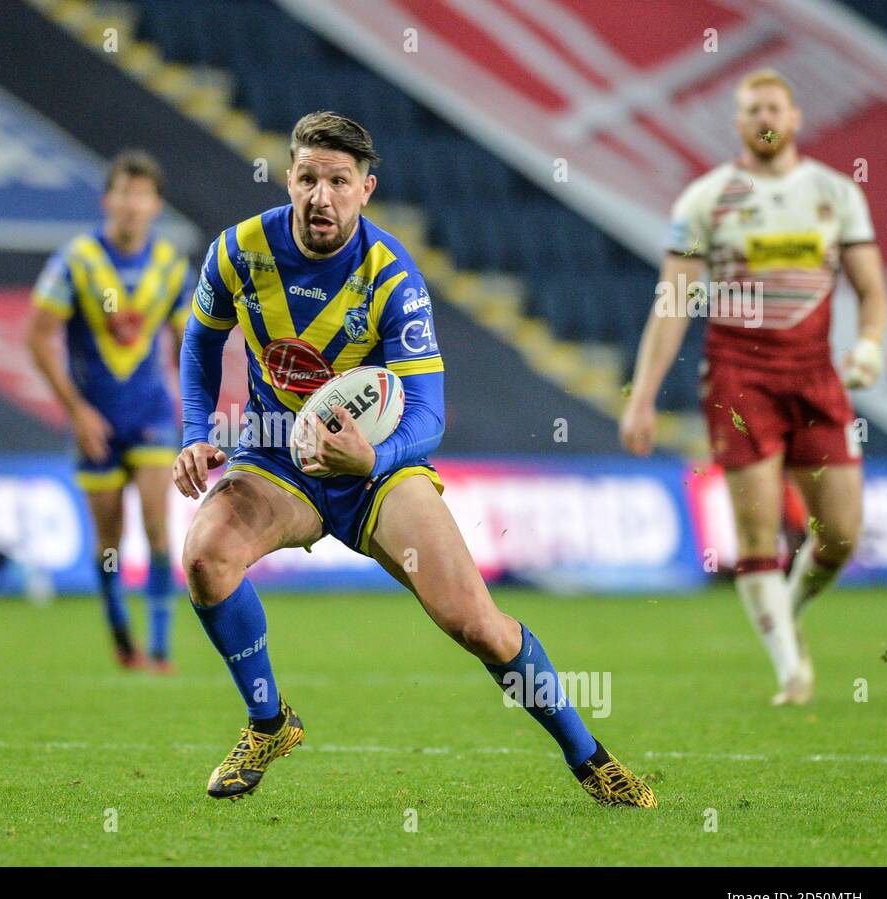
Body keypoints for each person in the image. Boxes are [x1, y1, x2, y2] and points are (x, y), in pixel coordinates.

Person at [176, 111, 655, 807]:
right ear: (289, 178)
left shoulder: (391, 276)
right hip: (279, 460)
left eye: (338, 181)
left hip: (378, 473)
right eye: (308, 178)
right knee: (204, 559)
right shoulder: (237, 252)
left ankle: (590, 757)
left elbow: (429, 415)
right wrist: (195, 431)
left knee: (476, 626)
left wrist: (372, 457)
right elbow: (199, 345)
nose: (321, 197)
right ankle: (269, 724)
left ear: (365, 189)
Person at [620, 70, 887, 705]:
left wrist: (872, 345)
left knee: (842, 534)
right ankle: (791, 670)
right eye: (750, 109)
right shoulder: (705, 200)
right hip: (740, 377)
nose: (763, 116)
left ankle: (788, 612)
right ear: (737, 123)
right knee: (757, 529)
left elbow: (873, 289)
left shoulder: (835, 194)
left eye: (773, 106)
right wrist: (642, 396)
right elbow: (672, 302)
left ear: (794, 117)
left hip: (816, 375)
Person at [28, 151, 190, 672]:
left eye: (141, 194)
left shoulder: (171, 264)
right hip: (94, 419)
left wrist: (195, 402)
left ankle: (161, 646)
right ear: (107, 200)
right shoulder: (74, 261)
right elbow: (37, 336)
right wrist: (75, 411)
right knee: (109, 539)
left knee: (159, 525)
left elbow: (187, 340)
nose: (131, 205)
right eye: (123, 192)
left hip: (150, 413)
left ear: (156, 204)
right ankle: (123, 636)